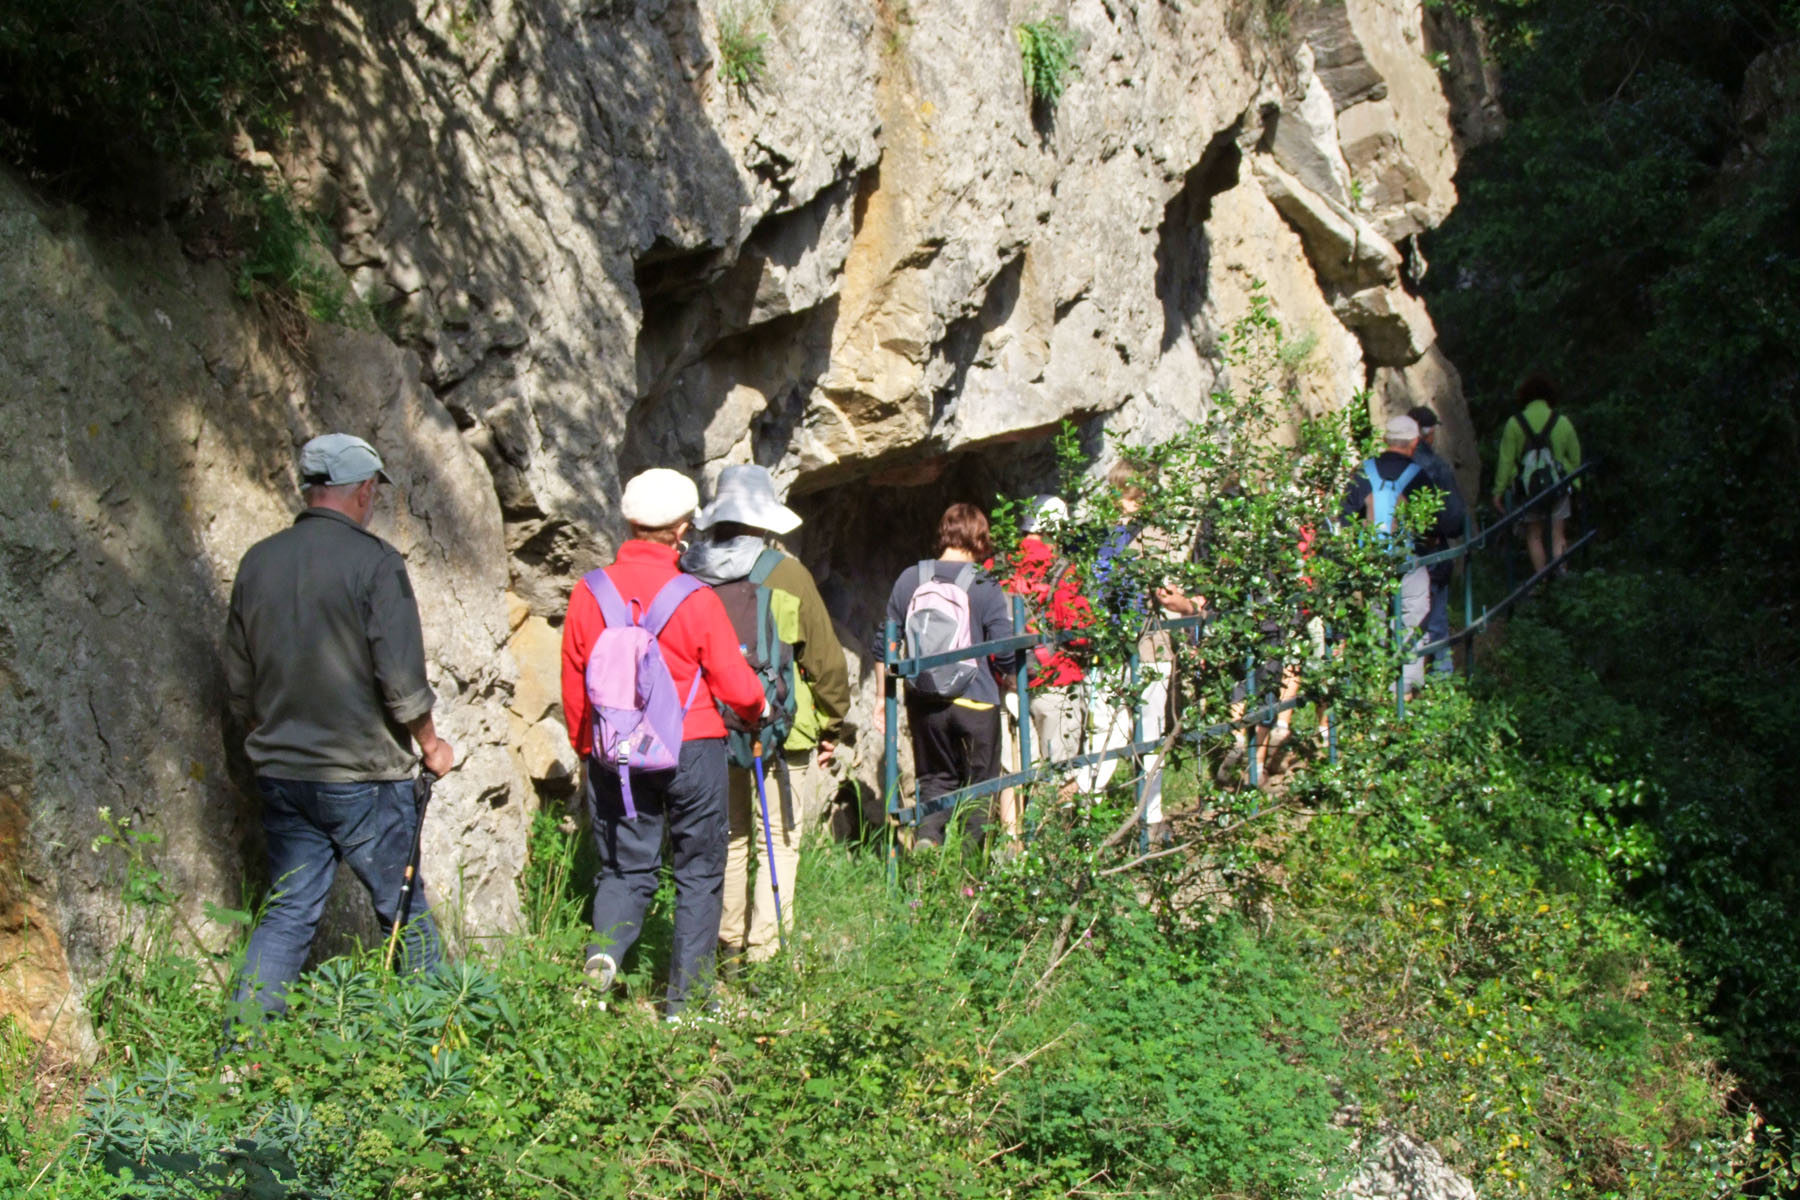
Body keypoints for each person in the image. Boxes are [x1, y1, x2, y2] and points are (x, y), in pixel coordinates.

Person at [223, 433, 455, 1027]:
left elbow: (239, 680)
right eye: (373, 489)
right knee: (404, 909)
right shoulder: (376, 565)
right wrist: (432, 747)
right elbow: (401, 678)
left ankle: (241, 1051)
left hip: (282, 772)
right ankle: (440, 1038)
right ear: (361, 491)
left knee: (288, 912)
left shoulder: (258, 561)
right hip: (364, 777)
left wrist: (270, 734)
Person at [560, 468, 765, 1019]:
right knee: (699, 870)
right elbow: (735, 685)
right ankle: (685, 1004)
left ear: (629, 520)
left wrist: (589, 748)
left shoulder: (589, 591)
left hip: (616, 752)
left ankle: (603, 961)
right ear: (680, 529)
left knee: (626, 868)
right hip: (692, 746)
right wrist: (755, 710)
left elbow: (575, 683)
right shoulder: (694, 596)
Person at [680, 465, 851, 965]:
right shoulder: (788, 574)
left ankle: (726, 941)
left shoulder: (692, 573)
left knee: (730, 836)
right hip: (784, 727)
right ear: (764, 521)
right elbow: (824, 659)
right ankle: (767, 952)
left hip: (714, 724)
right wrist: (831, 723)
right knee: (779, 838)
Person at [878, 503, 1022, 848]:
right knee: (980, 787)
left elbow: (885, 644)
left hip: (924, 699)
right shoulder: (984, 583)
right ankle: (971, 868)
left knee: (934, 779)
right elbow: (1003, 650)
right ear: (980, 539)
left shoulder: (910, 578)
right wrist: (1013, 678)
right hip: (976, 697)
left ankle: (928, 841)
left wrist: (880, 701)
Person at [992, 495, 1093, 833]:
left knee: (1013, 769)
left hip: (1007, 680)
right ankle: (1049, 853)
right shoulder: (1061, 568)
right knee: (1059, 768)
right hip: (1055, 679)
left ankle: (1011, 851)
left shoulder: (998, 566)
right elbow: (1079, 630)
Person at [1342, 414, 1459, 694]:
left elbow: (1345, 520)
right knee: (1412, 626)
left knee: (1377, 624)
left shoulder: (1363, 473)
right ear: (1414, 442)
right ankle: (1404, 695)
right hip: (1410, 563)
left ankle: (1378, 691)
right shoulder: (1418, 475)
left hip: (1372, 565)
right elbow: (1435, 523)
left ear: (1385, 441)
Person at [1491, 374, 1582, 576]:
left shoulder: (1515, 424)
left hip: (1528, 490)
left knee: (1534, 535)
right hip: (1558, 487)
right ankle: (1561, 578)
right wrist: (1572, 481)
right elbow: (1575, 458)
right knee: (1558, 534)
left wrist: (1498, 491)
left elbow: (1506, 461)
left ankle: (1541, 581)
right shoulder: (1562, 422)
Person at [1406, 405, 1469, 676]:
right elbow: (1454, 515)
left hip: (1397, 550)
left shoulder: (1390, 465)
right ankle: (1441, 673)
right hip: (1432, 548)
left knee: (1402, 615)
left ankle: (1403, 679)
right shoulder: (1437, 467)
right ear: (1430, 434)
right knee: (1437, 611)